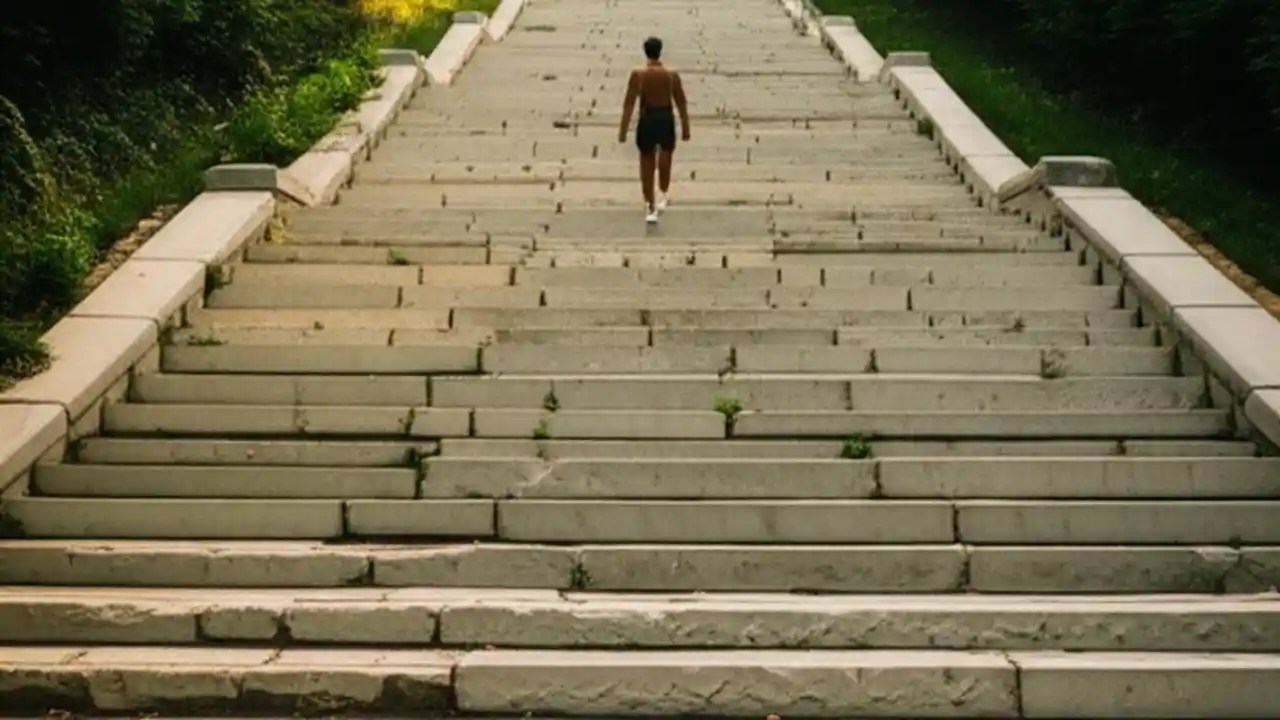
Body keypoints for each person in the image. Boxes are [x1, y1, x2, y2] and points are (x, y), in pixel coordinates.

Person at [618, 36, 690, 224]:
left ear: (645, 51)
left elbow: (629, 103)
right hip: (665, 118)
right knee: (666, 158)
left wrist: (623, 130)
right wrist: (685, 127)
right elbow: (681, 102)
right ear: (660, 51)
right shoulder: (671, 75)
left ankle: (650, 202)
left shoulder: (638, 75)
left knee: (646, 162)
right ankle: (663, 191)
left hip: (648, 118)